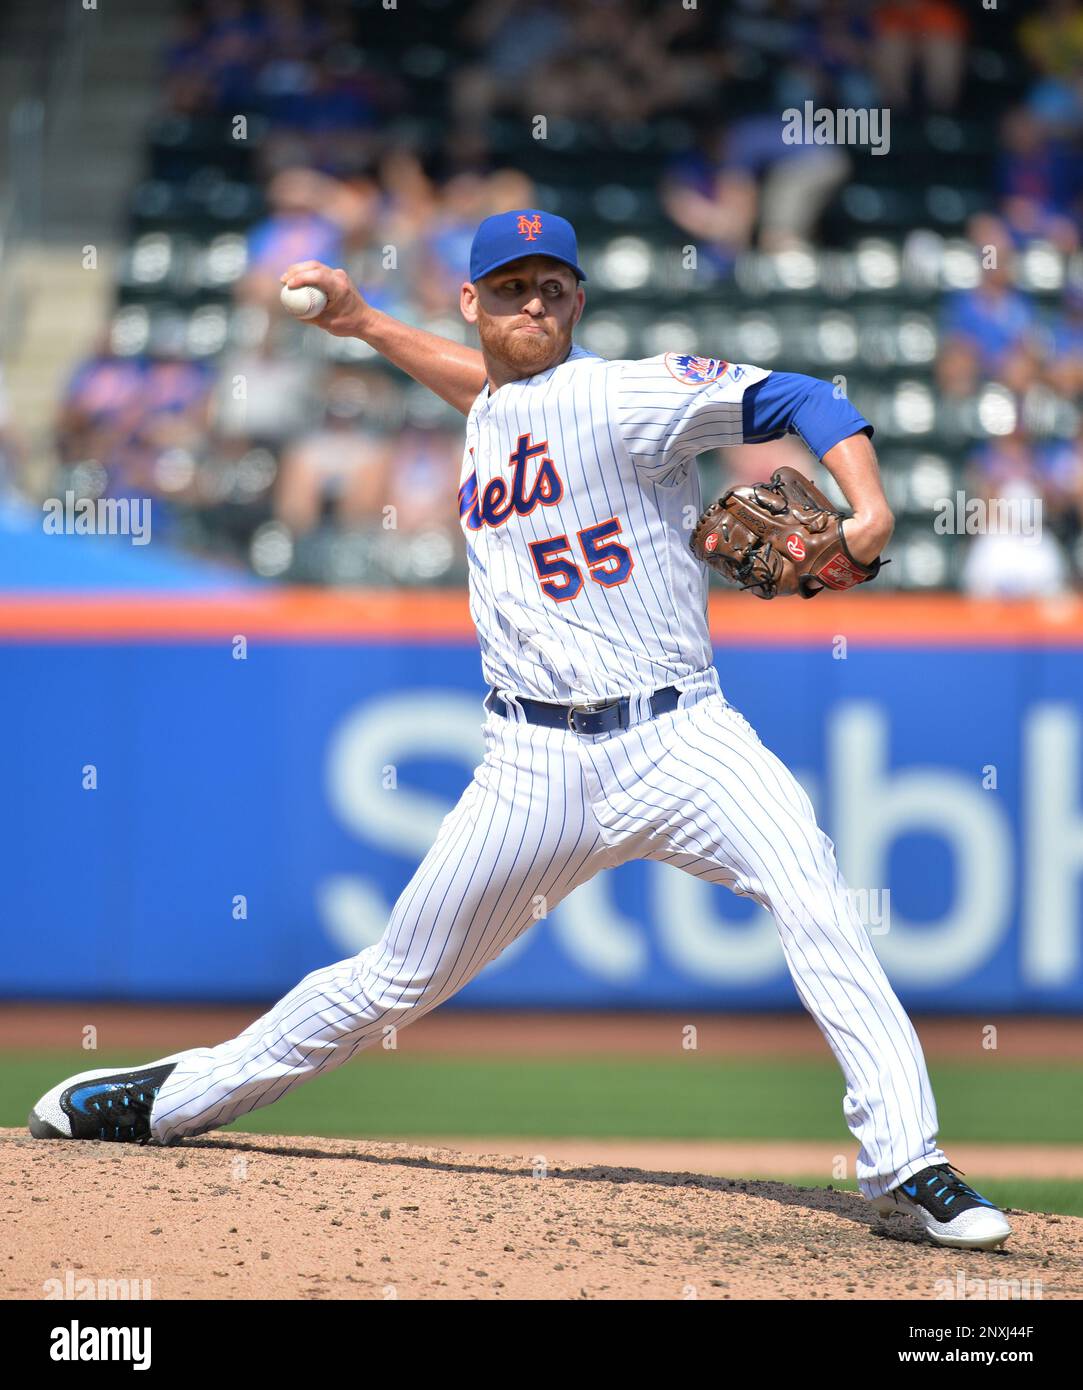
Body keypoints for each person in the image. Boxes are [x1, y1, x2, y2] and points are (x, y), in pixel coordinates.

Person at [29, 209, 1012, 1251]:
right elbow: (488, 392)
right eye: (510, 288)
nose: (532, 303)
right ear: (473, 302)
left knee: (813, 888)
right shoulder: (494, 407)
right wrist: (365, 323)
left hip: (680, 736)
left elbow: (801, 396)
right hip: (531, 764)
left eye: (551, 287)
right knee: (391, 979)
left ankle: (909, 1164)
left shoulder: (626, 393)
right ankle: (166, 1099)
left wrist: (868, 508)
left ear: (579, 301)